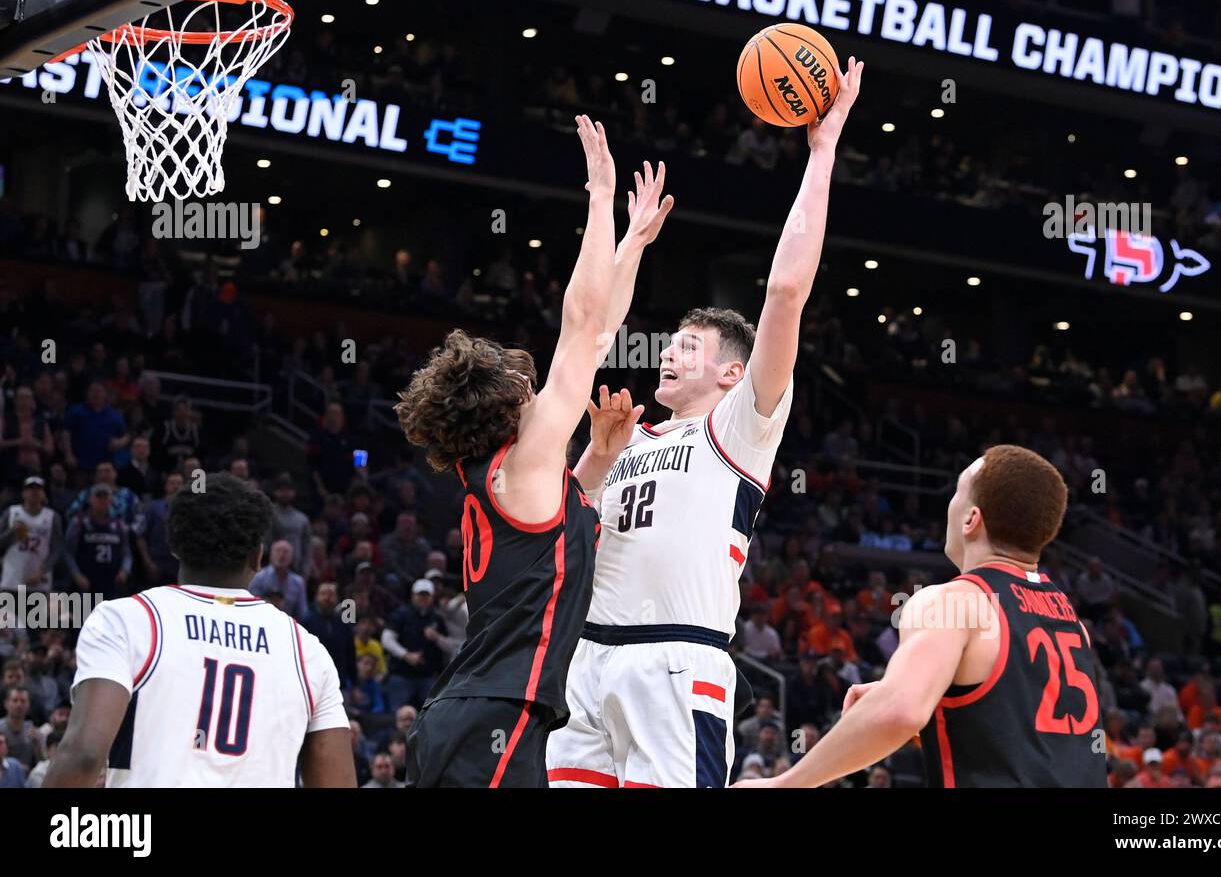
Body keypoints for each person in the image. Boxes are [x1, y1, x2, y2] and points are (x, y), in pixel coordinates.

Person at [547, 59, 864, 788]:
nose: (668, 353)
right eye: (670, 343)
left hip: (676, 660)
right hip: (587, 661)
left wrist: (821, 152)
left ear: (731, 374)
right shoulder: (625, 436)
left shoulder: (740, 430)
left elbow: (785, 291)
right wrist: (595, 459)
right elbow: (559, 525)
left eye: (690, 346)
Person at [397, 116, 623, 788]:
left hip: (473, 715)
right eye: (529, 383)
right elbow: (584, 324)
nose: (542, 388)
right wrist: (600, 197)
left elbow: (597, 335)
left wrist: (634, 242)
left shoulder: (515, 478)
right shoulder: (522, 464)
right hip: (491, 716)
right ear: (511, 399)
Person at [735, 445, 1106, 788]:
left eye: (957, 492)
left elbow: (900, 713)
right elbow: (1029, 735)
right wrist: (931, 690)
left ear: (971, 519)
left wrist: (786, 783)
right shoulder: (1070, 620)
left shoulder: (952, 602)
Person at [42, 473, 354, 787]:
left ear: (174, 546)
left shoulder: (124, 619)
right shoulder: (307, 649)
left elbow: (84, 754)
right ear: (258, 556)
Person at [0, 477, 63, 593]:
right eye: (30, 489)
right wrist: (11, 532)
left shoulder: (52, 517)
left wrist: (42, 571)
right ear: (23, 494)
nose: (34, 492)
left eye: (38, 489)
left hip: (39, 580)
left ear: (43, 494)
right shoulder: (11, 512)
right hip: (11, 580)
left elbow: (56, 549)